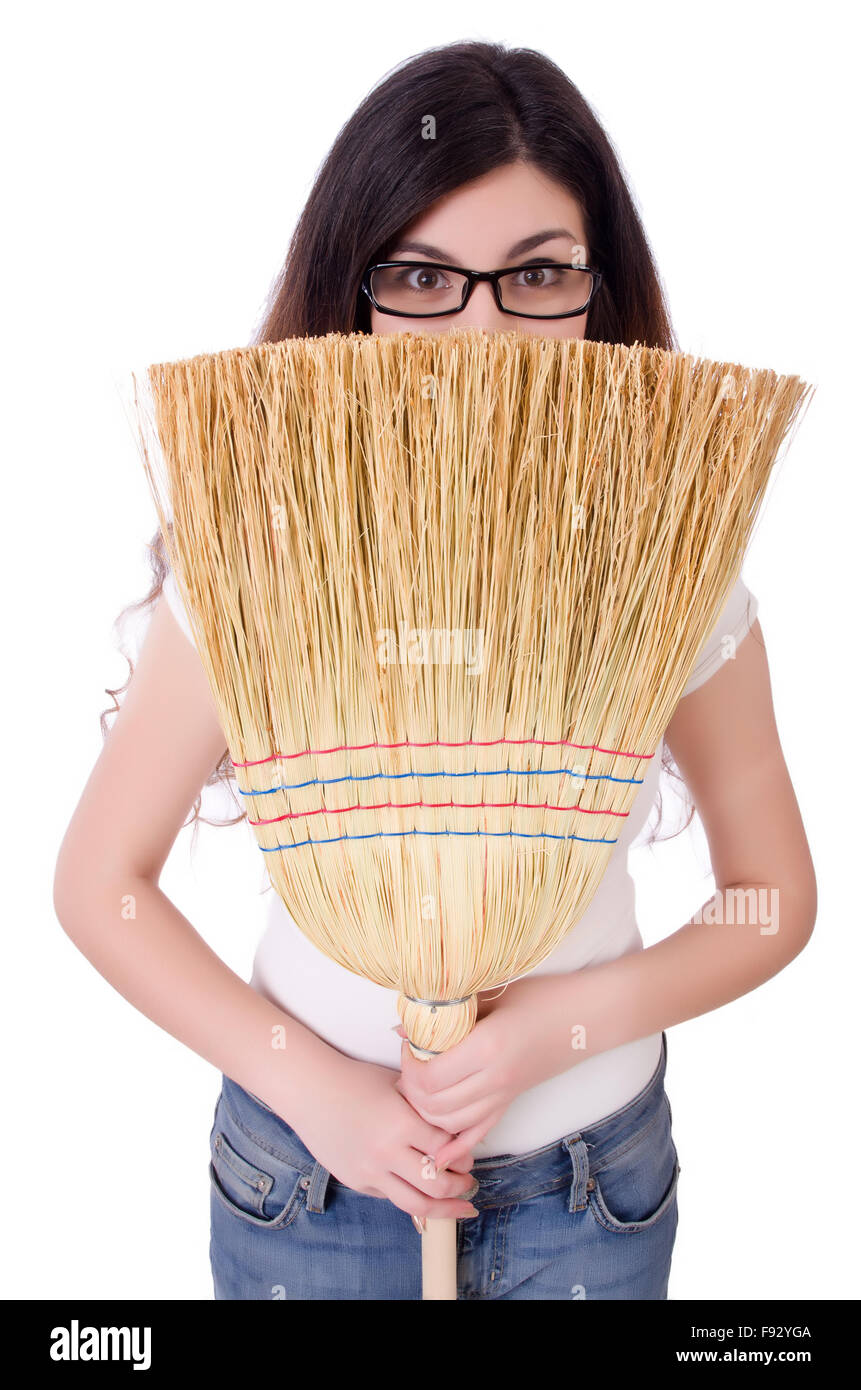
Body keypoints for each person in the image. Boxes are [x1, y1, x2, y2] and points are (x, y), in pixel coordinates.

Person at [53, 40, 817, 1301]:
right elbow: (100, 883)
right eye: (419, 274)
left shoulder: (661, 561)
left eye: (536, 273)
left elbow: (767, 897)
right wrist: (321, 1091)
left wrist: (548, 1034)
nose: (478, 330)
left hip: (591, 1191)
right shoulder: (267, 559)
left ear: (597, 289)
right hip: (308, 1177)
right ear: (352, 291)